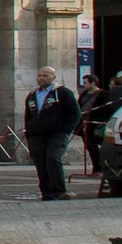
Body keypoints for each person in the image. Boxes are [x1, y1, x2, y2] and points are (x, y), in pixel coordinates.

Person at [23, 65, 79, 200]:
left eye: (45, 75)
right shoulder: (32, 95)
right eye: (39, 75)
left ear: (53, 77)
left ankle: (59, 191)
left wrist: (66, 130)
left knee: (53, 159)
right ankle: (47, 193)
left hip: (57, 133)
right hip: (36, 135)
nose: (41, 78)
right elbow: (28, 115)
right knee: (40, 163)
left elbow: (75, 113)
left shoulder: (63, 93)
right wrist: (29, 131)